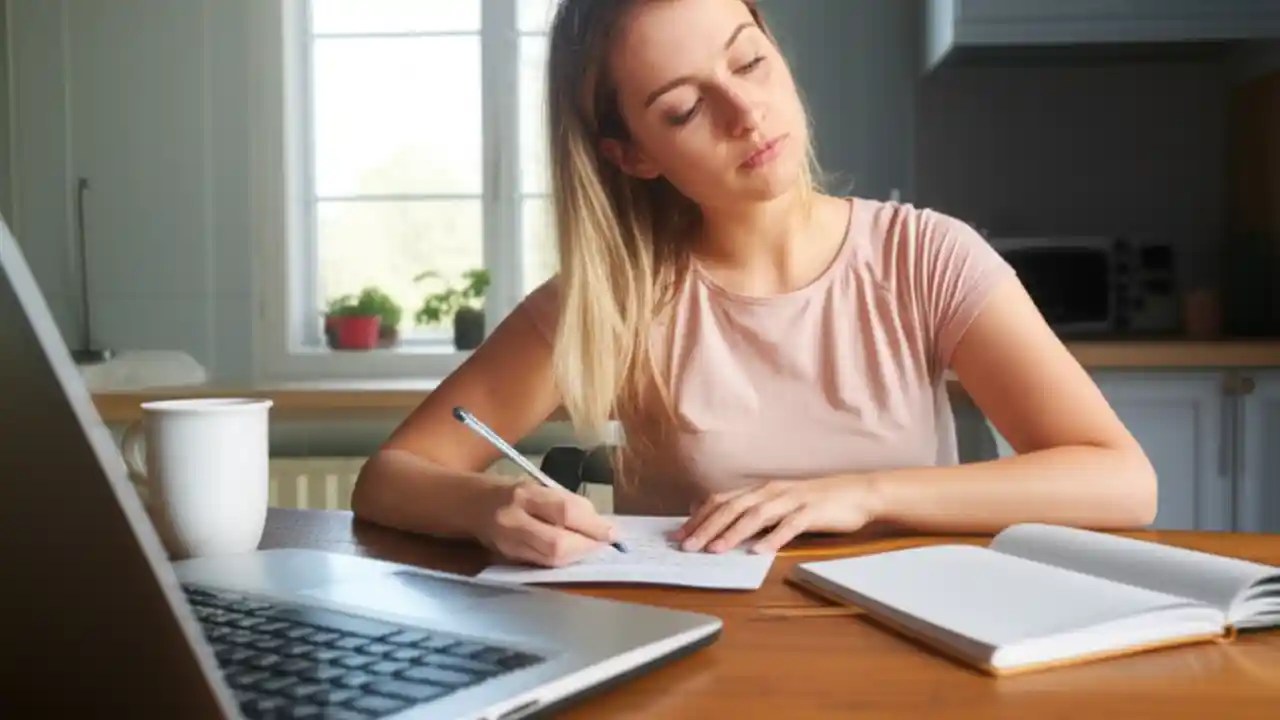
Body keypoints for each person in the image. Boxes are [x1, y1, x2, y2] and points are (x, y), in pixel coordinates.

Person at [351, 0, 1157, 568]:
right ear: (633, 155)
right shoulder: (615, 299)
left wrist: (865, 495)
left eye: (748, 61)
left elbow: (1122, 480)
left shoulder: (927, 256)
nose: (745, 112)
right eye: (682, 110)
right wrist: (490, 512)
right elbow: (391, 475)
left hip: (907, 657)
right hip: (694, 659)